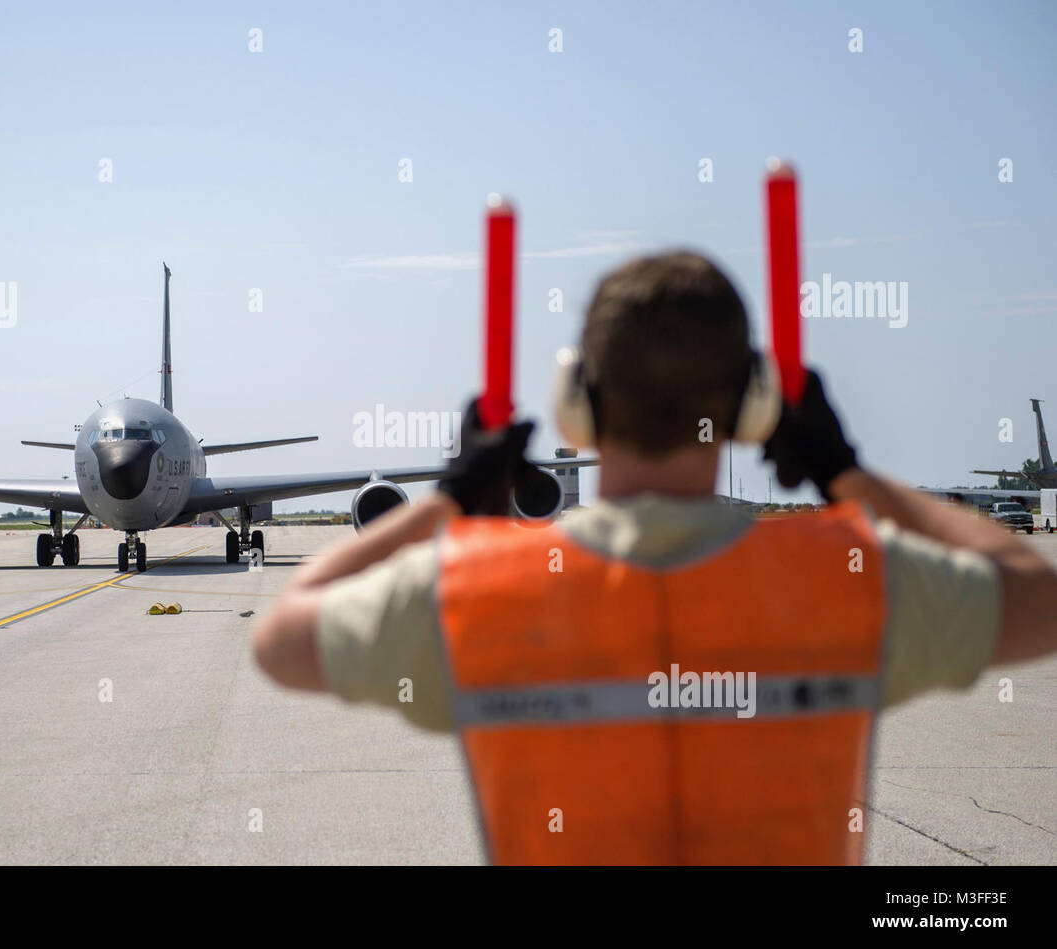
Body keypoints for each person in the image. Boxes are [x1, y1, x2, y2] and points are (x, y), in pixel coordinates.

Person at [251, 251, 1057, 864]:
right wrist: (845, 471)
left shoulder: (473, 587)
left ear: (575, 404)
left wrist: (447, 500)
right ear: (754, 406)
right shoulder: (850, 576)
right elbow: (1038, 594)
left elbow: (281, 636)